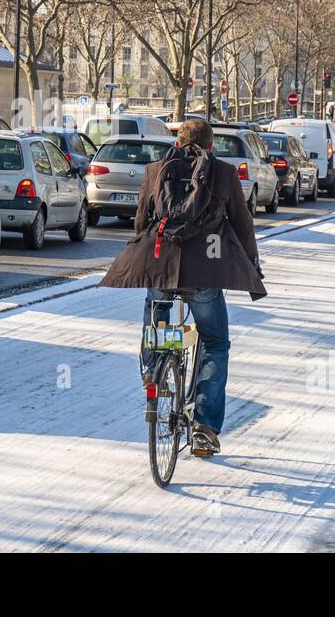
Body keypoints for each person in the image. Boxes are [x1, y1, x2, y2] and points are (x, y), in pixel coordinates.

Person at [100, 118, 266, 459]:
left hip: (160, 266)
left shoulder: (155, 170)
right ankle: (204, 427)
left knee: (156, 313)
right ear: (210, 145)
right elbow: (242, 224)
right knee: (216, 342)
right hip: (204, 272)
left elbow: (142, 221)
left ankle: (153, 369)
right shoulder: (223, 173)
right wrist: (252, 264)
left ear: (177, 142)